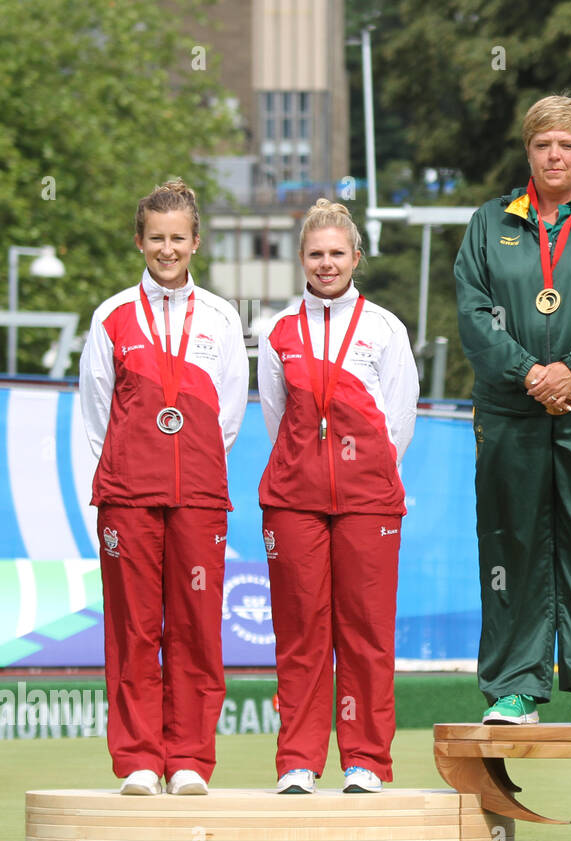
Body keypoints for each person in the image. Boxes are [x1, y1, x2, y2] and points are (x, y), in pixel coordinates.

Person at [454, 94, 571, 726]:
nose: (555, 155)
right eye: (543, 145)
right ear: (528, 152)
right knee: (512, 546)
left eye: (567, 144)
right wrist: (531, 372)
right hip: (512, 409)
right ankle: (515, 686)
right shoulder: (490, 222)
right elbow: (475, 316)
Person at [80, 179, 248, 796]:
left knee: (197, 628)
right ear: (139, 241)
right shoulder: (112, 316)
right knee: (133, 629)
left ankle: (188, 762)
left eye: (178, 238)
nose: (167, 249)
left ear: (195, 241)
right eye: (157, 238)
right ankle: (141, 760)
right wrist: (134, 465)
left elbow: (228, 416)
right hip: (128, 495)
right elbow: (98, 414)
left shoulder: (223, 318)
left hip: (200, 495)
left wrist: (191, 463)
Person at [258, 199, 418, 794]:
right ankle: (298, 760)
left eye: (337, 253)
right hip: (293, 500)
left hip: (368, 500)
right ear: (302, 258)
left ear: (356, 257)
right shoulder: (278, 330)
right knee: (300, 633)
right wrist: (309, 469)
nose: (327, 264)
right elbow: (278, 420)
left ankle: (366, 761)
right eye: (316, 254)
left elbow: (398, 421)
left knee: (366, 633)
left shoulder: (384, 328)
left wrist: (363, 475)